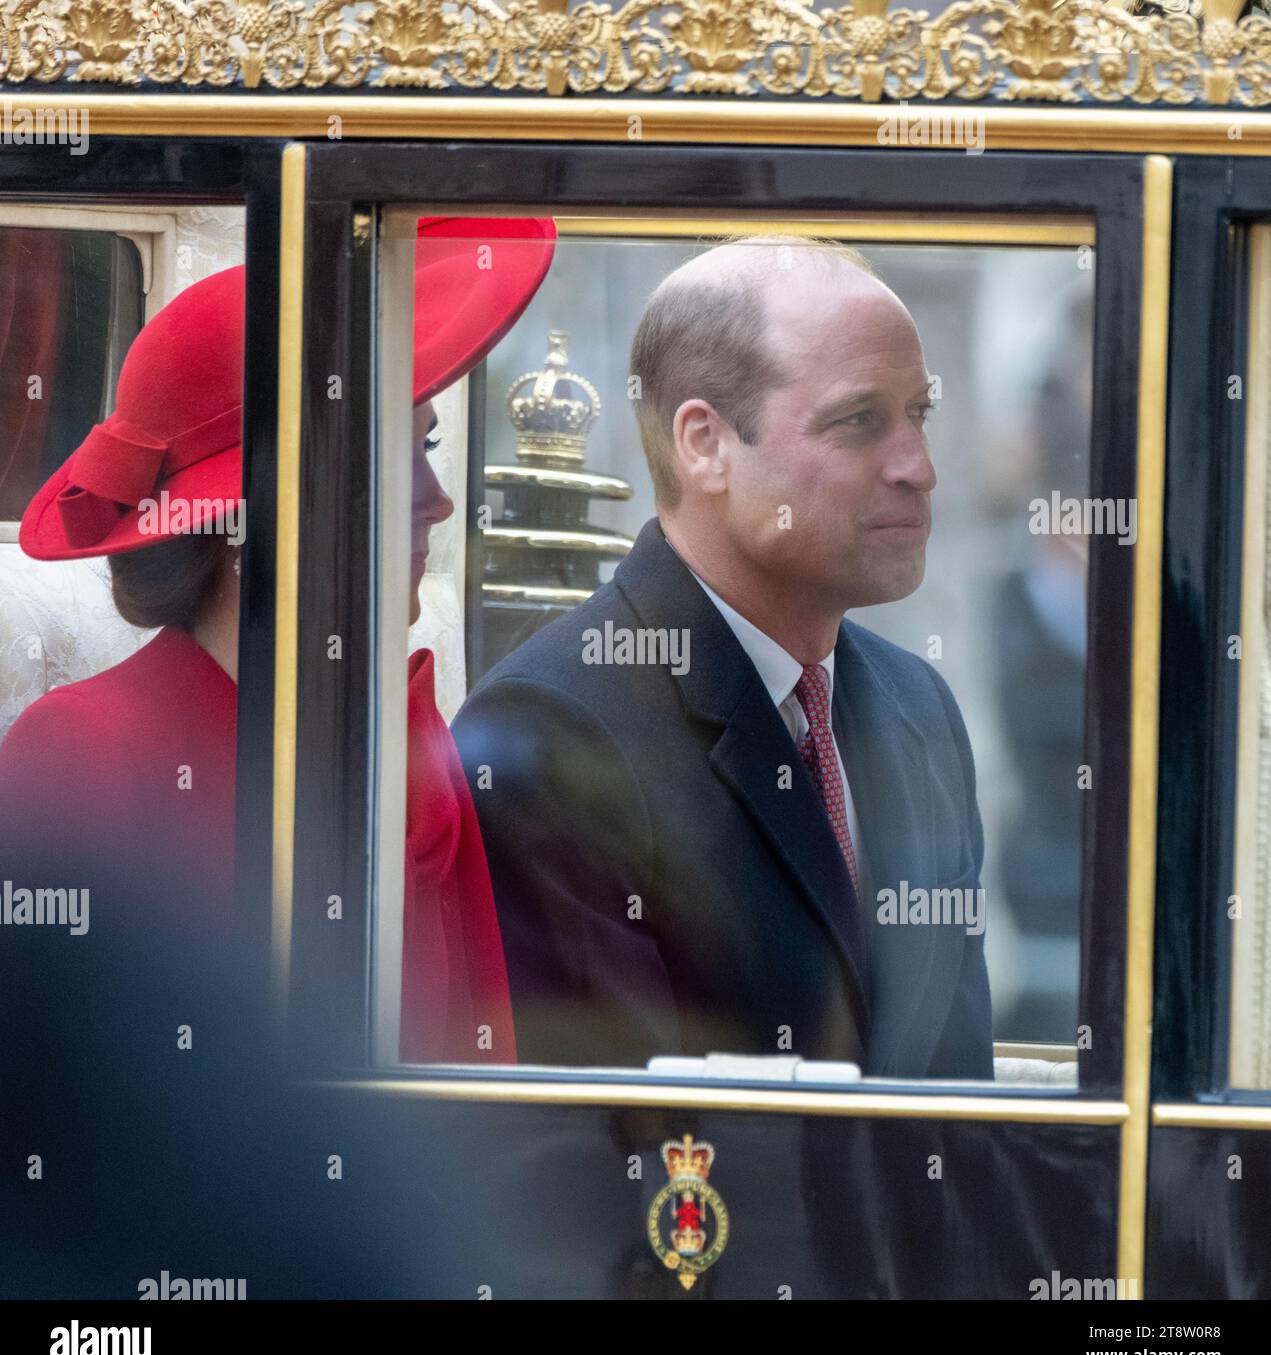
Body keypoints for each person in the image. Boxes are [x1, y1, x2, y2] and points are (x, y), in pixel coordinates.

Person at [0, 217, 556, 1065]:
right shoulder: (81, 755)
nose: (436, 500)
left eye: (429, 446)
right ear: (250, 518)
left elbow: (482, 1084)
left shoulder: (402, 737)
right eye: (389, 454)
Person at [452, 235, 993, 1079]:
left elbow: (962, 1103)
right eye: (859, 420)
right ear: (704, 443)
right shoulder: (553, 732)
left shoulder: (919, 708)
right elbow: (617, 1158)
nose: (917, 468)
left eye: (917, 414)